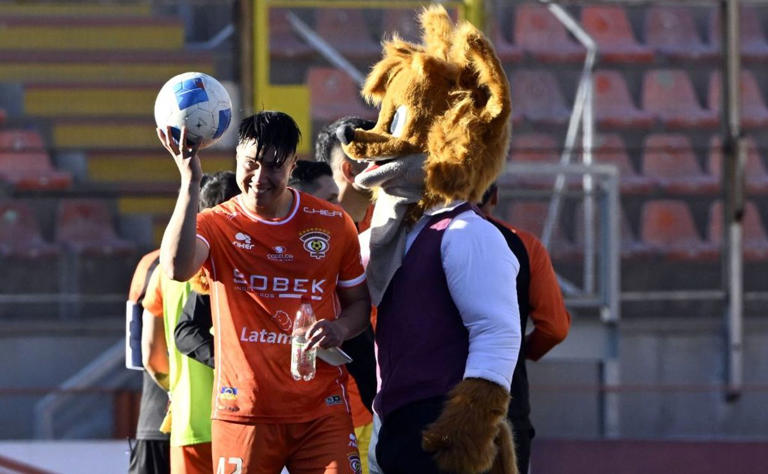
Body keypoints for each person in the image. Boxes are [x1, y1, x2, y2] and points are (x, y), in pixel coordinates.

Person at [157, 111, 371, 473]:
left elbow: (359, 305)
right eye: (251, 164)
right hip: (244, 413)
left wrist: (339, 329)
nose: (259, 178)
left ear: (292, 166)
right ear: (237, 160)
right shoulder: (216, 223)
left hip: (321, 409)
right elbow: (176, 269)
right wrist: (189, 181)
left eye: (273, 166)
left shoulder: (333, 224)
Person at [141, 171, 239, 474]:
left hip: (186, 420)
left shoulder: (163, 270)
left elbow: (151, 356)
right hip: (236, 415)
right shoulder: (235, 263)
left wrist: (177, 388)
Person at [478, 182, 572, 474]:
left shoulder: (419, 239)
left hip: (432, 407)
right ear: (495, 195)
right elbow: (555, 328)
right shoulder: (523, 244)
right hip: (504, 403)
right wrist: (522, 352)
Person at [127, 250, 170, 474]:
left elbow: (136, 354)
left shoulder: (150, 262)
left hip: (153, 420)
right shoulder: (234, 252)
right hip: (216, 422)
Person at [314, 116, 376, 229]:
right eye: (377, 156)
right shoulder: (308, 225)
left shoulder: (389, 219)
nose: (390, 163)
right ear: (350, 171)